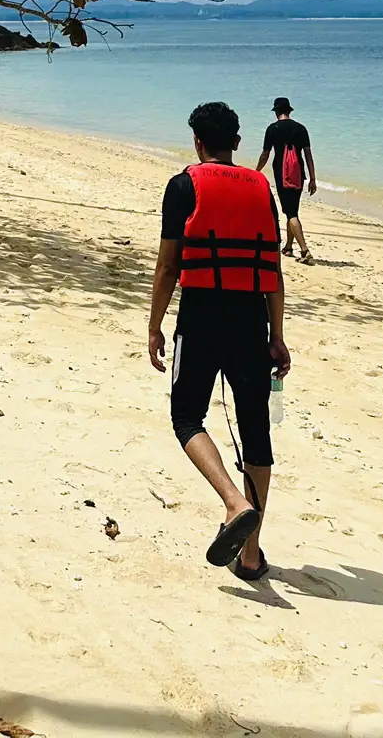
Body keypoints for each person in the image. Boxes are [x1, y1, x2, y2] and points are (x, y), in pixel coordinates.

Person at [148, 101, 291, 579]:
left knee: (187, 416)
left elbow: (169, 265)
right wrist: (278, 335)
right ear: (236, 142)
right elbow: (272, 269)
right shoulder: (261, 188)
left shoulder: (183, 185)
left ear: (196, 141)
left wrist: (154, 326)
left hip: (202, 315)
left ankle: (233, 502)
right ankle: (251, 555)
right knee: (256, 432)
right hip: (251, 318)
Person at [255, 97, 316, 264]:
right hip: (299, 174)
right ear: (289, 111)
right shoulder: (301, 128)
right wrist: (312, 178)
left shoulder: (272, 129)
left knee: (290, 213)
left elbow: (265, 154)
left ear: (276, 112)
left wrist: (256, 171)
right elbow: (308, 155)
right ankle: (289, 247)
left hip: (282, 175)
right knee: (293, 209)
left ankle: (304, 251)